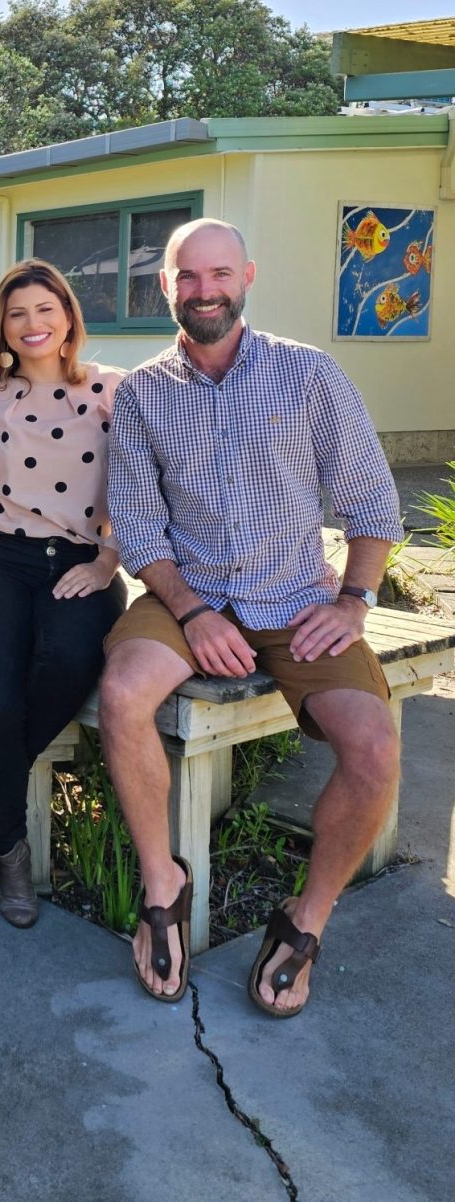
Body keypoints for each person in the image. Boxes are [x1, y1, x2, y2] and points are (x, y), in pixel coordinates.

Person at [102, 218, 404, 1016]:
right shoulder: (140, 395)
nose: (205, 291)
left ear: (248, 277)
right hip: (187, 594)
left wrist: (355, 600)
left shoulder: (309, 375)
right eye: (187, 276)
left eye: (220, 274)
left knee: (374, 748)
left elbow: (374, 503)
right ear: (165, 286)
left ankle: (305, 919)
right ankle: (162, 884)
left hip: (299, 600)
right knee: (124, 694)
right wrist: (193, 611)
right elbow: (140, 528)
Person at [0, 260, 126, 928]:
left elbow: (140, 486)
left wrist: (109, 561)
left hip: (83, 560)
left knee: (69, 657)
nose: (33, 325)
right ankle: (10, 852)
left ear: (68, 318)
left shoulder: (112, 391)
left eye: (45, 310)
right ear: (1, 325)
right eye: (18, 313)